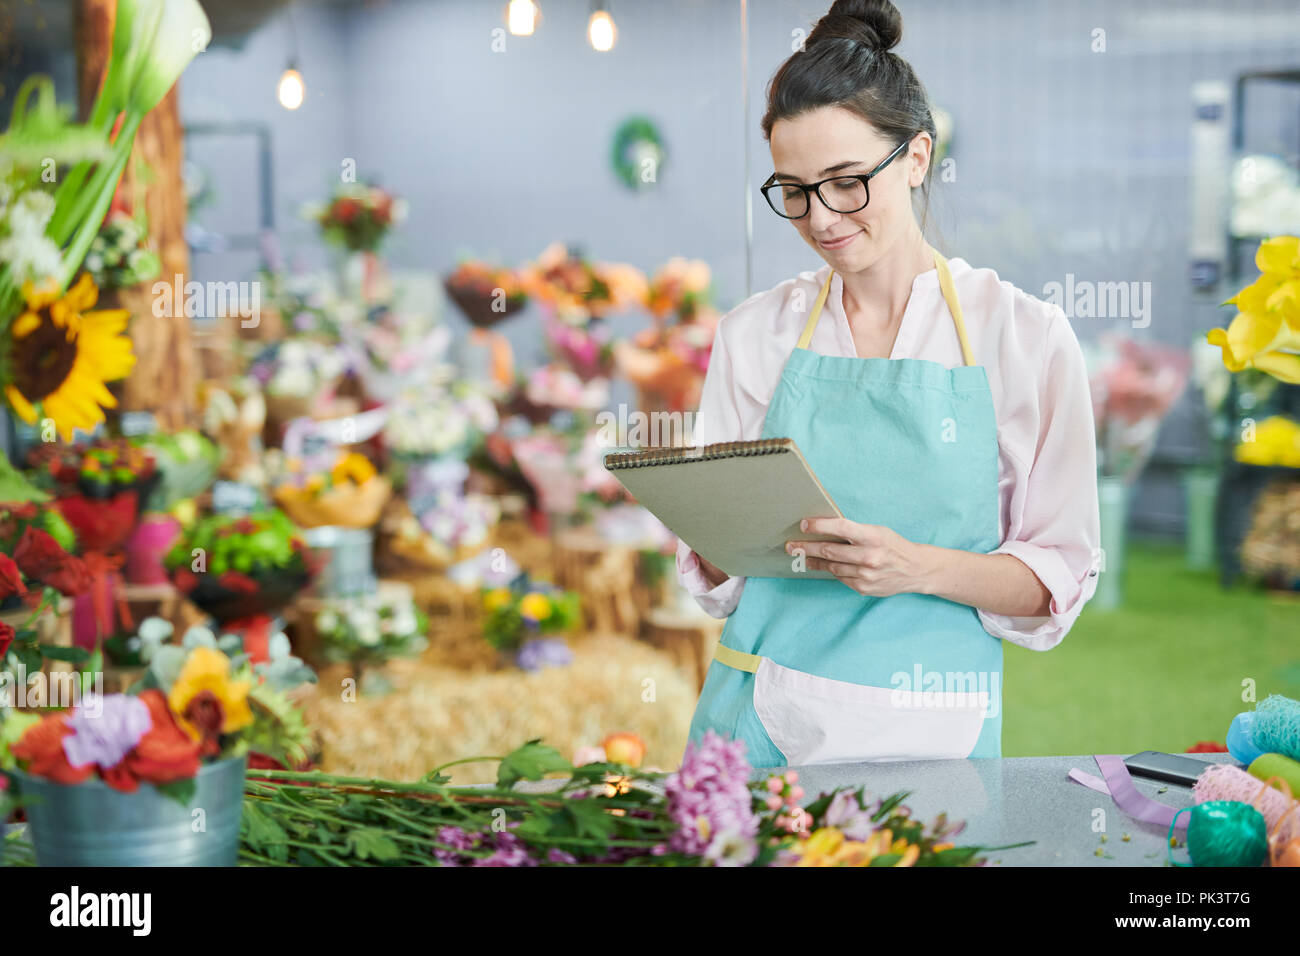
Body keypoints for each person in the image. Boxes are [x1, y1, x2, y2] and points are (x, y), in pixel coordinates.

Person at [679, 0, 1102, 766]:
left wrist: (914, 567)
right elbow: (719, 574)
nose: (822, 218)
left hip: (934, 734)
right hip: (757, 724)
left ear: (916, 157)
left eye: (846, 181)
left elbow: (1056, 579)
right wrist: (709, 531)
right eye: (795, 191)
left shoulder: (1025, 339)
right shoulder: (753, 335)